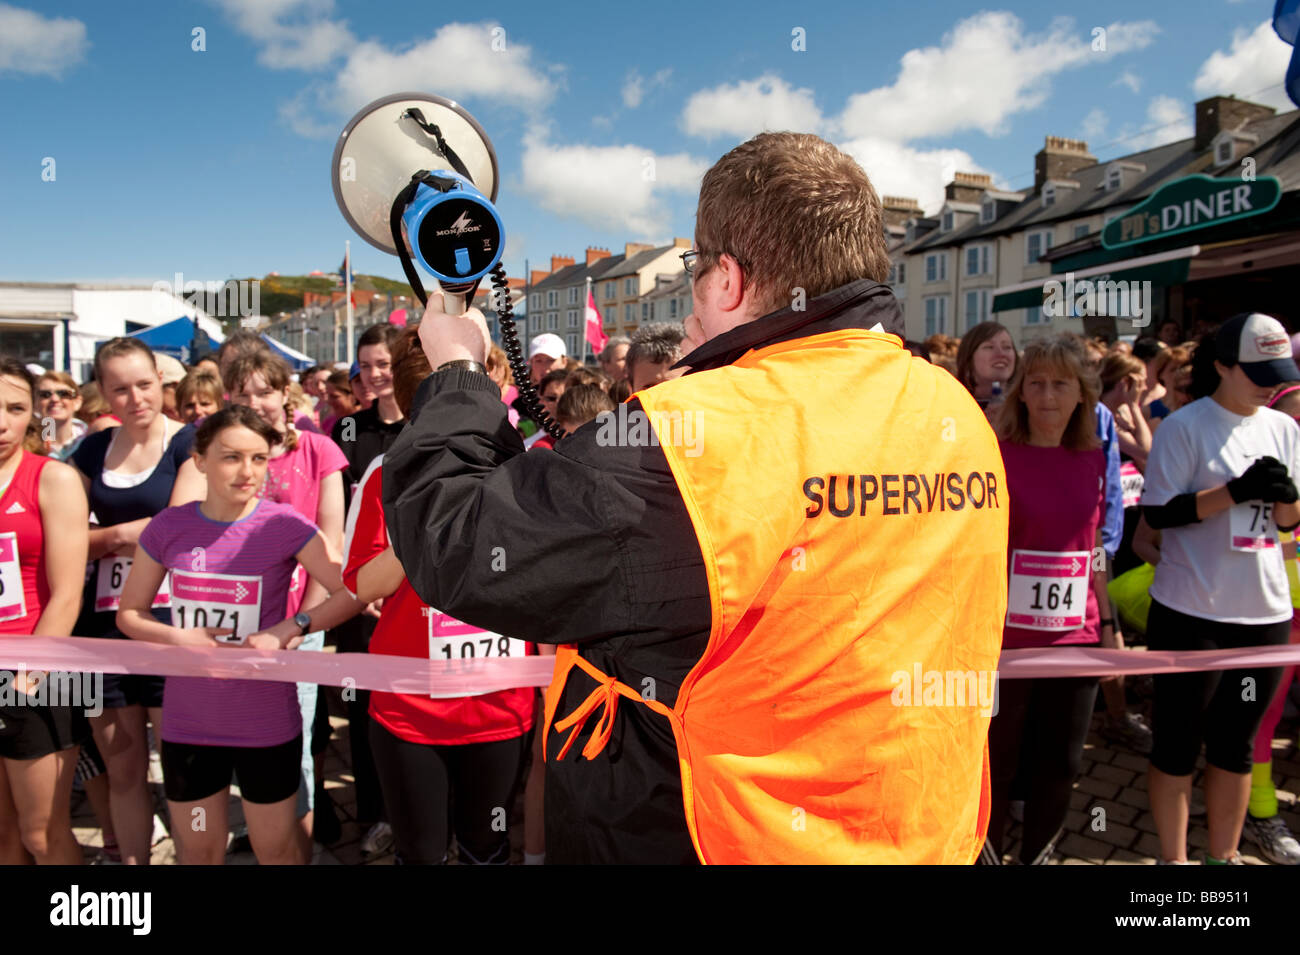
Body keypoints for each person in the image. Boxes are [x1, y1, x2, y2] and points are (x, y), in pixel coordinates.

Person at [384, 131, 1008, 863]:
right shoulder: (951, 405)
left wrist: (459, 370)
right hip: (928, 834)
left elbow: (454, 539)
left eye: (695, 268)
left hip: (720, 839)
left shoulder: (699, 436)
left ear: (729, 281)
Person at [116, 405, 359, 865]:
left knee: (275, 851)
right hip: (190, 724)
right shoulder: (170, 527)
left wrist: (293, 627)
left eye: (258, 459)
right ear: (200, 461)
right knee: (199, 850)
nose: (248, 472)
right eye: (231, 457)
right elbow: (130, 613)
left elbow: (350, 592)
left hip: (265, 723)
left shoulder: (283, 525)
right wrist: (177, 639)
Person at [341, 331, 536, 864]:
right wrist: (428, 521)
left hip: (499, 700)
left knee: (487, 846)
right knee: (421, 852)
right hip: (409, 706)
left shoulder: (525, 469)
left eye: (485, 378)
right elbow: (362, 585)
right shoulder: (384, 473)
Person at [1140, 312, 1300, 865]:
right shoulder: (1186, 426)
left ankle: (1224, 859)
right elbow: (1158, 514)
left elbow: (1287, 523)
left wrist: (1284, 496)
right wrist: (1232, 492)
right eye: (1258, 371)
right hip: (1191, 613)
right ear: (1221, 366)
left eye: (1277, 372)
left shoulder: (1286, 428)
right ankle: (1175, 863)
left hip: (1263, 616)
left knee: (1235, 747)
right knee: (1177, 746)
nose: (1271, 383)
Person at [69, 338, 207, 865]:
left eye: (145, 385)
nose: (135, 399)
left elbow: (177, 530)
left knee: (183, 766)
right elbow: (64, 537)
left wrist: (102, 534)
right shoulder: (89, 450)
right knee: (122, 765)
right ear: (103, 391)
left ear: (161, 382)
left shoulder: (190, 442)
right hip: (102, 629)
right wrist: (126, 534)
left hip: (172, 625)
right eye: (120, 389)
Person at [980, 336, 1115, 865]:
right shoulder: (997, 457)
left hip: (1074, 636)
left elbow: (1096, 544)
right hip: (1009, 640)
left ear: (1082, 394)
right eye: (1035, 382)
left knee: (1061, 762)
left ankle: (1039, 857)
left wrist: (1111, 624)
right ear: (1020, 392)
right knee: (1000, 759)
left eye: (1060, 383)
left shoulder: (1093, 458)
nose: (1047, 395)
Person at [225, 349, 351, 853]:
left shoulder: (318, 450)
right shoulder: (224, 451)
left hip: (299, 618)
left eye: (264, 391)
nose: (256, 403)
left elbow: (331, 541)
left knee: (294, 744)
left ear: (285, 393)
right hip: (234, 620)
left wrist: (302, 624)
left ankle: (297, 850)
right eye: (243, 394)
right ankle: (263, 836)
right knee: (242, 738)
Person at [0, 358, 91, 865]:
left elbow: (67, 593)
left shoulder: (52, 479)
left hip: (38, 673)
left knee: (42, 835)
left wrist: (27, 678)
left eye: (15, 408)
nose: (2, 423)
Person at [330, 323, 405, 854]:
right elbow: (338, 520)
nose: (375, 375)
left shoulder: (428, 429)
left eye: (384, 364)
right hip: (361, 598)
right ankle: (376, 812)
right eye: (366, 366)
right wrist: (363, 588)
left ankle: (426, 812)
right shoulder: (346, 432)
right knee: (362, 711)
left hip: (418, 597)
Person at [1241, 383, 1300, 865]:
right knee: (1263, 715)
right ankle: (1259, 811)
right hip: (1278, 615)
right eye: (1294, 418)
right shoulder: (1264, 477)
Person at [956, 322, 1017, 412]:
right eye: (989, 347)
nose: (1001, 354)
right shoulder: (954, 405)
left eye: (1007, 347)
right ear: (968, 358)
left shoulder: (1026, 406)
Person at [36, 371, 87, 461]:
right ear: (35, 403)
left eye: (64, 394)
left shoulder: (91, 439)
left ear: (77, 402)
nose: (54, 399)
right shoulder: (25, 444)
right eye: (45, 395)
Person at [625, 323, 686, 393]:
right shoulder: (624, 404)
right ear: (630, 388)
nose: (661, 396)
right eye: (649, 389)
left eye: (672, 386)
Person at [320, 368, 359, 438]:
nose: (329, 401)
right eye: (328, 395)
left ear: (353, 395)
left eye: (335, 396)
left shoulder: (351, 423)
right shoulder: (329, 421)